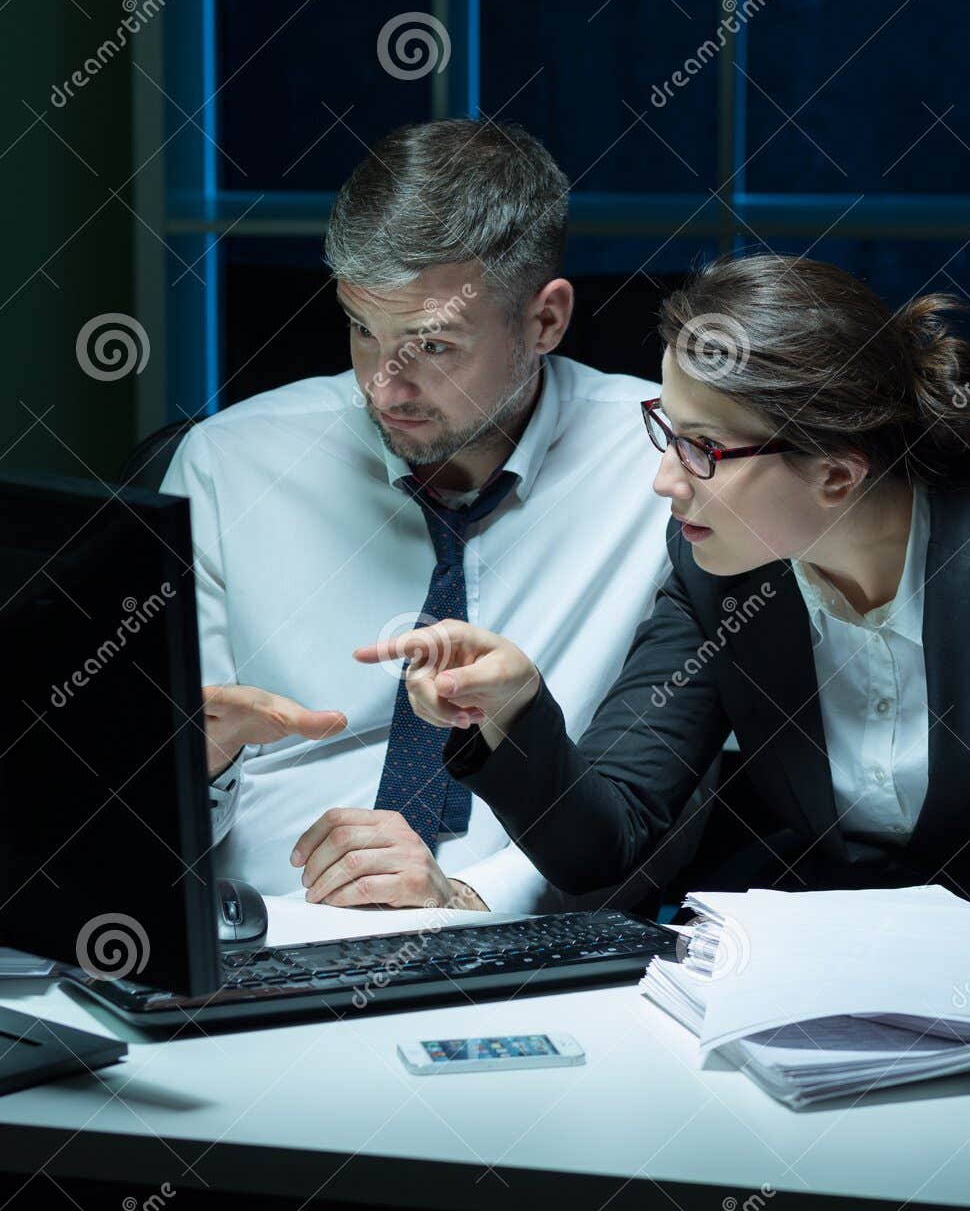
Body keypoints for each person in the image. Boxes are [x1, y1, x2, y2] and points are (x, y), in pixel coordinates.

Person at [370, 252, 970, 949]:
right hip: (828, 979)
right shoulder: (719, 576)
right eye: (667, 432)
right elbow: (604, 841)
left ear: (836, 475)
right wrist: (513, 713)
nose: (665, 480)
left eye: (702, 448)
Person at [160, 118, 677, 912]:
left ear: (545, 320)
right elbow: (149, 814)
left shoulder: (664, 467)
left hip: (517, 940)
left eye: (432, 346)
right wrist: (197, 764)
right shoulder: (230, 462)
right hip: (262, 925)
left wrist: (467, 901)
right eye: (362, 330)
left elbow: (666, 793)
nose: (383, 385)